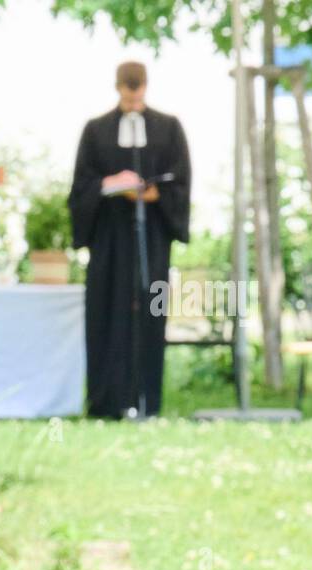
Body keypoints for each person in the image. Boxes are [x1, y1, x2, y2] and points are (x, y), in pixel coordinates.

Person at [68, 61, 191, 419]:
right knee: (107, 313)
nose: (133, 96)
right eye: (127, 89)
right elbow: (81, 186)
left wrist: (156, 196)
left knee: (150, 310)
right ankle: (106, 401)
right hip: (109, 237)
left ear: (146, 87)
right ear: (117, 87)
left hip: (150, 236)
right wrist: (111, 186)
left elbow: (180, 181)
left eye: (137, 90)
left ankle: (146, 400)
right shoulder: (96, 130)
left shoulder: (168, 128)